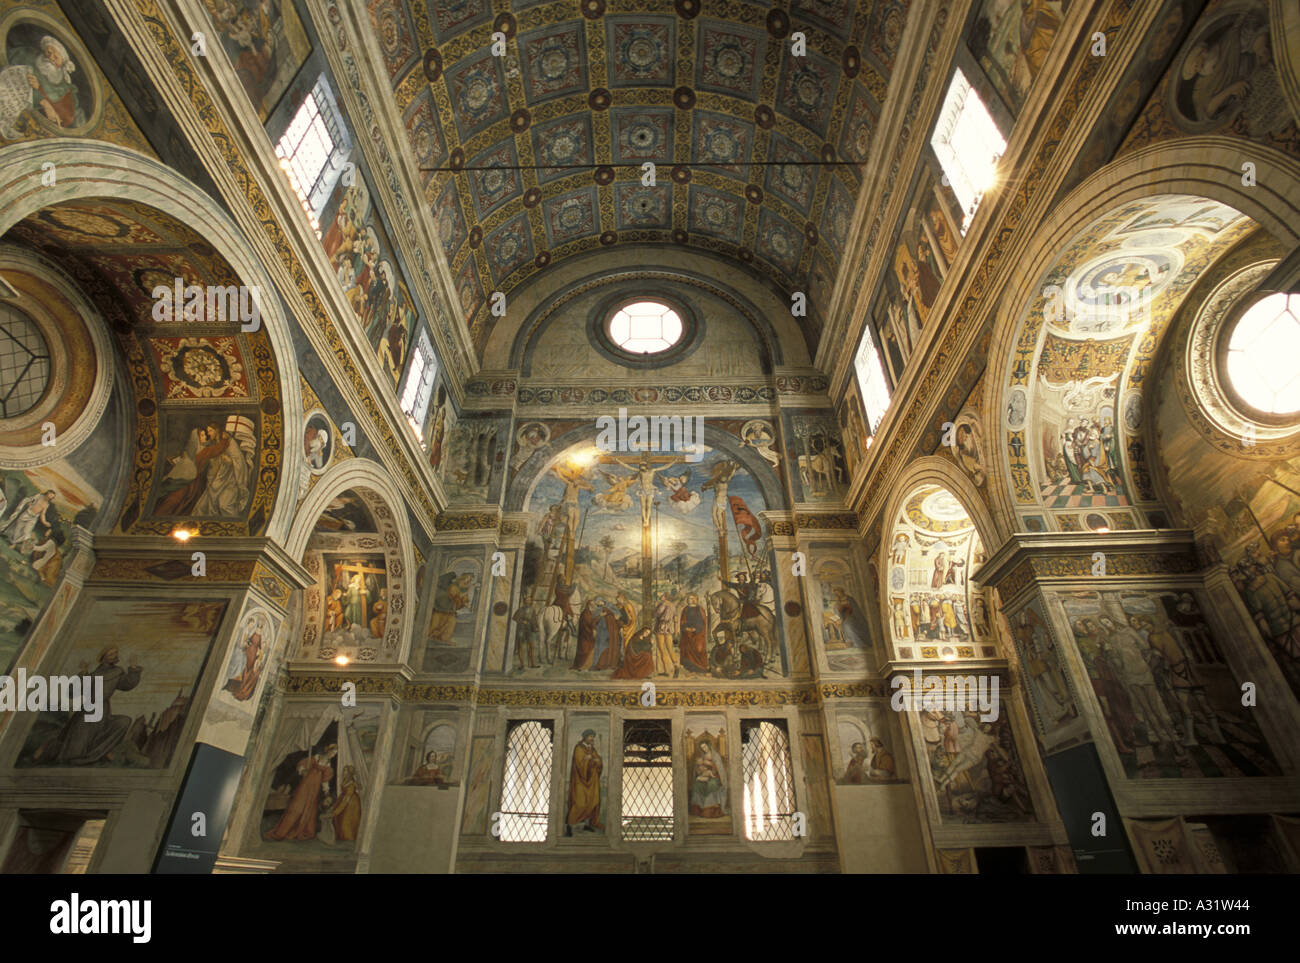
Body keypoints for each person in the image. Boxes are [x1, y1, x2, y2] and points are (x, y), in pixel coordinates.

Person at [38, 646, 142, 765]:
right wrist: (82, 673)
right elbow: (72, 692)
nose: (115, 656)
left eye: (116, 653)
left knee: (124, 721)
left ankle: (98, 753)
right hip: (87, 710)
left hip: (103, 710)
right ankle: (56, 752)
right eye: (111, 654)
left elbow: (127, 684)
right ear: (103, 657)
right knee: (76, 742)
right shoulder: (92, 675)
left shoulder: (117, 672)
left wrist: (133, 668)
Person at [265, 745, 337, 841]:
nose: (333, 755)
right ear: (328, 750)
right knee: (296, 807)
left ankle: (304, 831)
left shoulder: (328, 767)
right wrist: (303, 770)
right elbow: (301, 765)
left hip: (315, 789)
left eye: (335, 754)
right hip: (305, 785)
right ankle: (281, 832)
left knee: (309, 810)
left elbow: (325, 781)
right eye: (333, 752)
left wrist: (326, 791)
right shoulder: (315, 758)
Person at [566, 730, 602, 834]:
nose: (592, 739)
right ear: (585, 737)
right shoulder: (579, 748)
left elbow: (598, 760)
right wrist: (587, 759)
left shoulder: (592, 749)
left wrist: (597, 761)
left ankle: (586, 823)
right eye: (590, 736)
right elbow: (579, 763)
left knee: (593, 801)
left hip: (592, 780)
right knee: (580, 802)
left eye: (593, 737)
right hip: (580, 780)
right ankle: (571, 824)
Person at [689, 737, 726, 817]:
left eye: (705, 747)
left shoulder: (715, 755)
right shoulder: (703, 756)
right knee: (697, 785)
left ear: (709, 746)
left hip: (715, 777)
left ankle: (710, 810)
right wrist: (699, 768)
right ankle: (699, 810)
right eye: (702, 748)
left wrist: (710, 765)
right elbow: (698, 767)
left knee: (712, 784)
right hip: (705, 775)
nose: (704, 749)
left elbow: (719, 769)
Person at [329, 765, 363, 842]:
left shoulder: (351, 784)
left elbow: (347, 797)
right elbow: (343, 795)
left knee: (346, 821)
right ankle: (342, 838)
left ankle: (349, 839)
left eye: (345, 771)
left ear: (349, 774)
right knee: (340, 819)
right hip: (345, 799)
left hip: (351, 804)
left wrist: (337, 810)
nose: (343, 773)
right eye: (343, 771)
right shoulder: (345, 780)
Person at [653, 590, 681, 678]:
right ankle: (673, 667)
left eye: (662, 595)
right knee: (669, 649)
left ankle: (668, 670)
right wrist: (676, 632)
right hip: (669, 628)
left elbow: (656, 614)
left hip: (661, 627)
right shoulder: (673, 606)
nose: (661, 596)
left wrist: (655, 606)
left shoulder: (662, 605)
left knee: (662, 649)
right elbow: (676, 620)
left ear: (665, 596)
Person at [679, 593, 709, 673]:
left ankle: (701, 667)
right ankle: (691, 669)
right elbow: (683, 621)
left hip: (698, 633)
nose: (691, 600)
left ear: (696, 599)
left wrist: (695, 629)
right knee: (688, 650)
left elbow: (702, 621)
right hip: (687, 633)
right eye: (689, 598)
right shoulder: (685, 609)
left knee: (698, 649)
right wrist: (686, 628)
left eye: (692, 598)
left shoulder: (700, 609)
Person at [511, 594, 541, 669]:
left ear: (531, 601)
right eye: (527, 600)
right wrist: (522, 621)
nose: (528, 601)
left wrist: (536, 627)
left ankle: (532, 664)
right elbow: (515, 618)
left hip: (529, 629)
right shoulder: (521, 609)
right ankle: (522, 665)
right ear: (525, 601)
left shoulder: (532, 609)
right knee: (520, 646)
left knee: (531, 646)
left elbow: (534, 619)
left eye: (529, 600)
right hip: (521, 629)